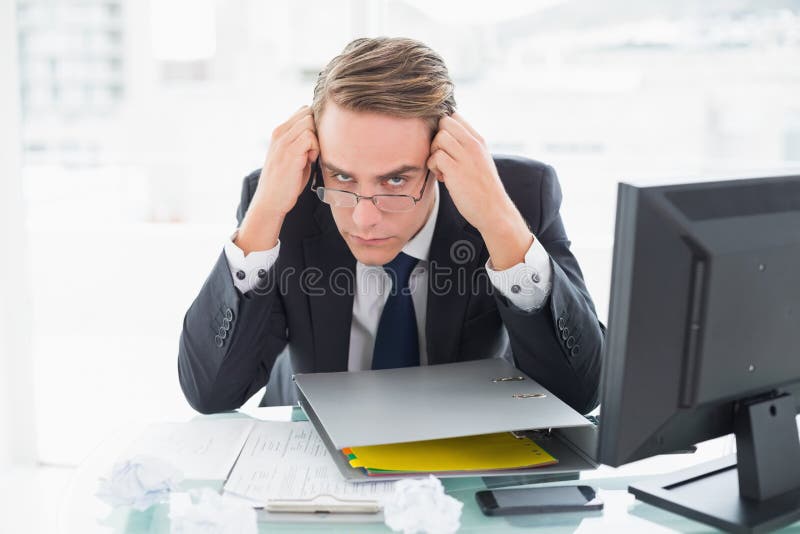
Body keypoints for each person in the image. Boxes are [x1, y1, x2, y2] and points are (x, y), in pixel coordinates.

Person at [178, 37, 604, 415]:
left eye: (395, 180)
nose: (364, 218)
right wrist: (265, 213)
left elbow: (581, 392)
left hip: (459, 453)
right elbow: (210, 393)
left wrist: (499, 222)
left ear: (440, 159)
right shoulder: (283, 200)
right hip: (307, 447)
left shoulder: (519, 195)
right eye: (342, 177)